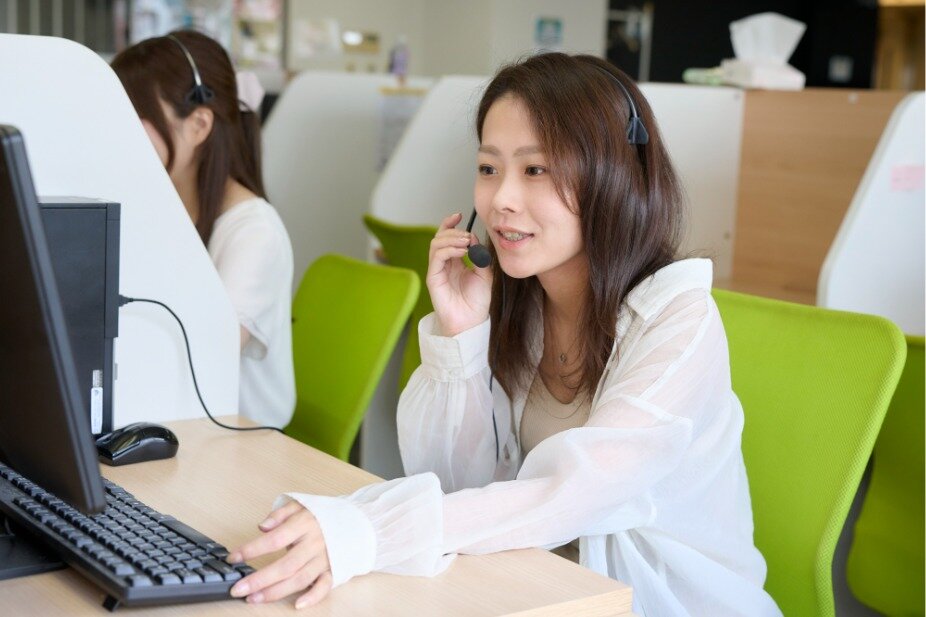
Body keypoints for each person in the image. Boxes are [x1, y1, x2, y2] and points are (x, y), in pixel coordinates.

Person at [226, 53, 782, 616]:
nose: (500, 200)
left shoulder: (677, 317)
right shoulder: (526, 301)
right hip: (540, 587)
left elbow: (573, 491)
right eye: (489, 169)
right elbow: (460, 486)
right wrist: (462, 334)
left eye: (535, 170)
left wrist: (370, 528)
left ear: (612, 178)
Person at [111, 30, 295, 429]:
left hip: (238, 439)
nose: (118, 133)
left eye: (134, 117)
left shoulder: (255, 232)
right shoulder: (164, 210)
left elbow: (205, 357)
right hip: (174, 421)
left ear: (198, 124)